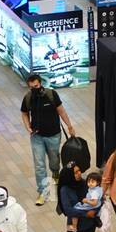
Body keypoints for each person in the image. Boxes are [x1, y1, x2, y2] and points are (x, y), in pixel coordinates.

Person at [21, 73, 75, 206]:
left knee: (54, 161)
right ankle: (42, 192)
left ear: (41, 84)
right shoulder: (28, 98)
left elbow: (61, 111)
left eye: (37, 86)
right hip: (36, 136)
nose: (34, 89)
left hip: (53, 135)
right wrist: (27, 126)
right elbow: (24, 113)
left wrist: (69, 126)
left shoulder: (51, 95)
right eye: (32, 87)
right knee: (39, 165)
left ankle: (56, 173)